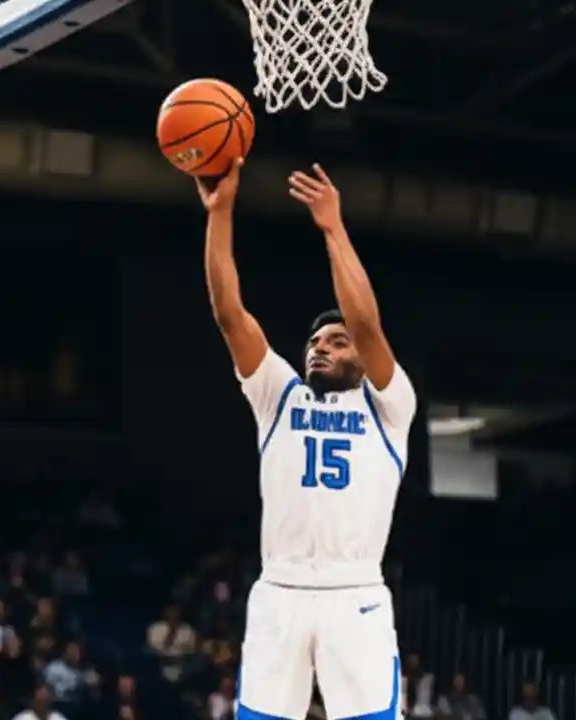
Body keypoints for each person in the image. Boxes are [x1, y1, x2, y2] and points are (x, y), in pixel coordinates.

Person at [198, 158, 417, 719]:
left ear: (362, 362)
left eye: (336, 342)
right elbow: (229, 314)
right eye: (316, 341)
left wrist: (333, 228)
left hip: (355, 592)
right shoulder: (279, 395)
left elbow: (367, 327)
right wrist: (220, 213)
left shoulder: (389, 405)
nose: (321, 346)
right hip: (281, 588)